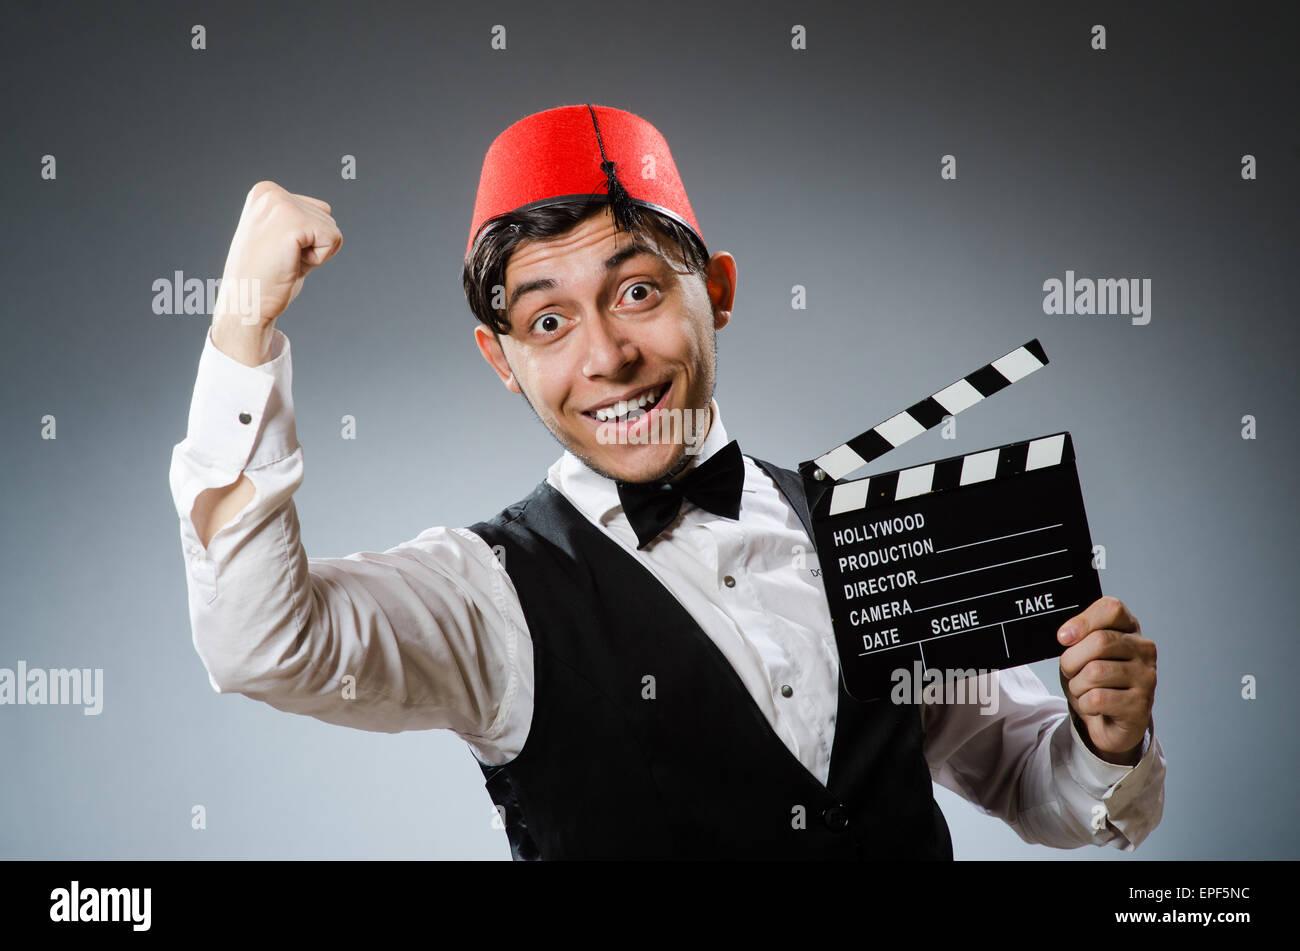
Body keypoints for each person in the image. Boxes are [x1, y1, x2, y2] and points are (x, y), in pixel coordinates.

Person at [170, 103, 1164, 860]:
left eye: (636, 292)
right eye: (548, 321)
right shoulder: (486, 596)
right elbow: (262, 645)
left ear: (717, 292)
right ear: (501, 359)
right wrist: (243, 322)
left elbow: (1038, 784)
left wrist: (1103, 739)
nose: (605, 356)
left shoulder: (868, 537)